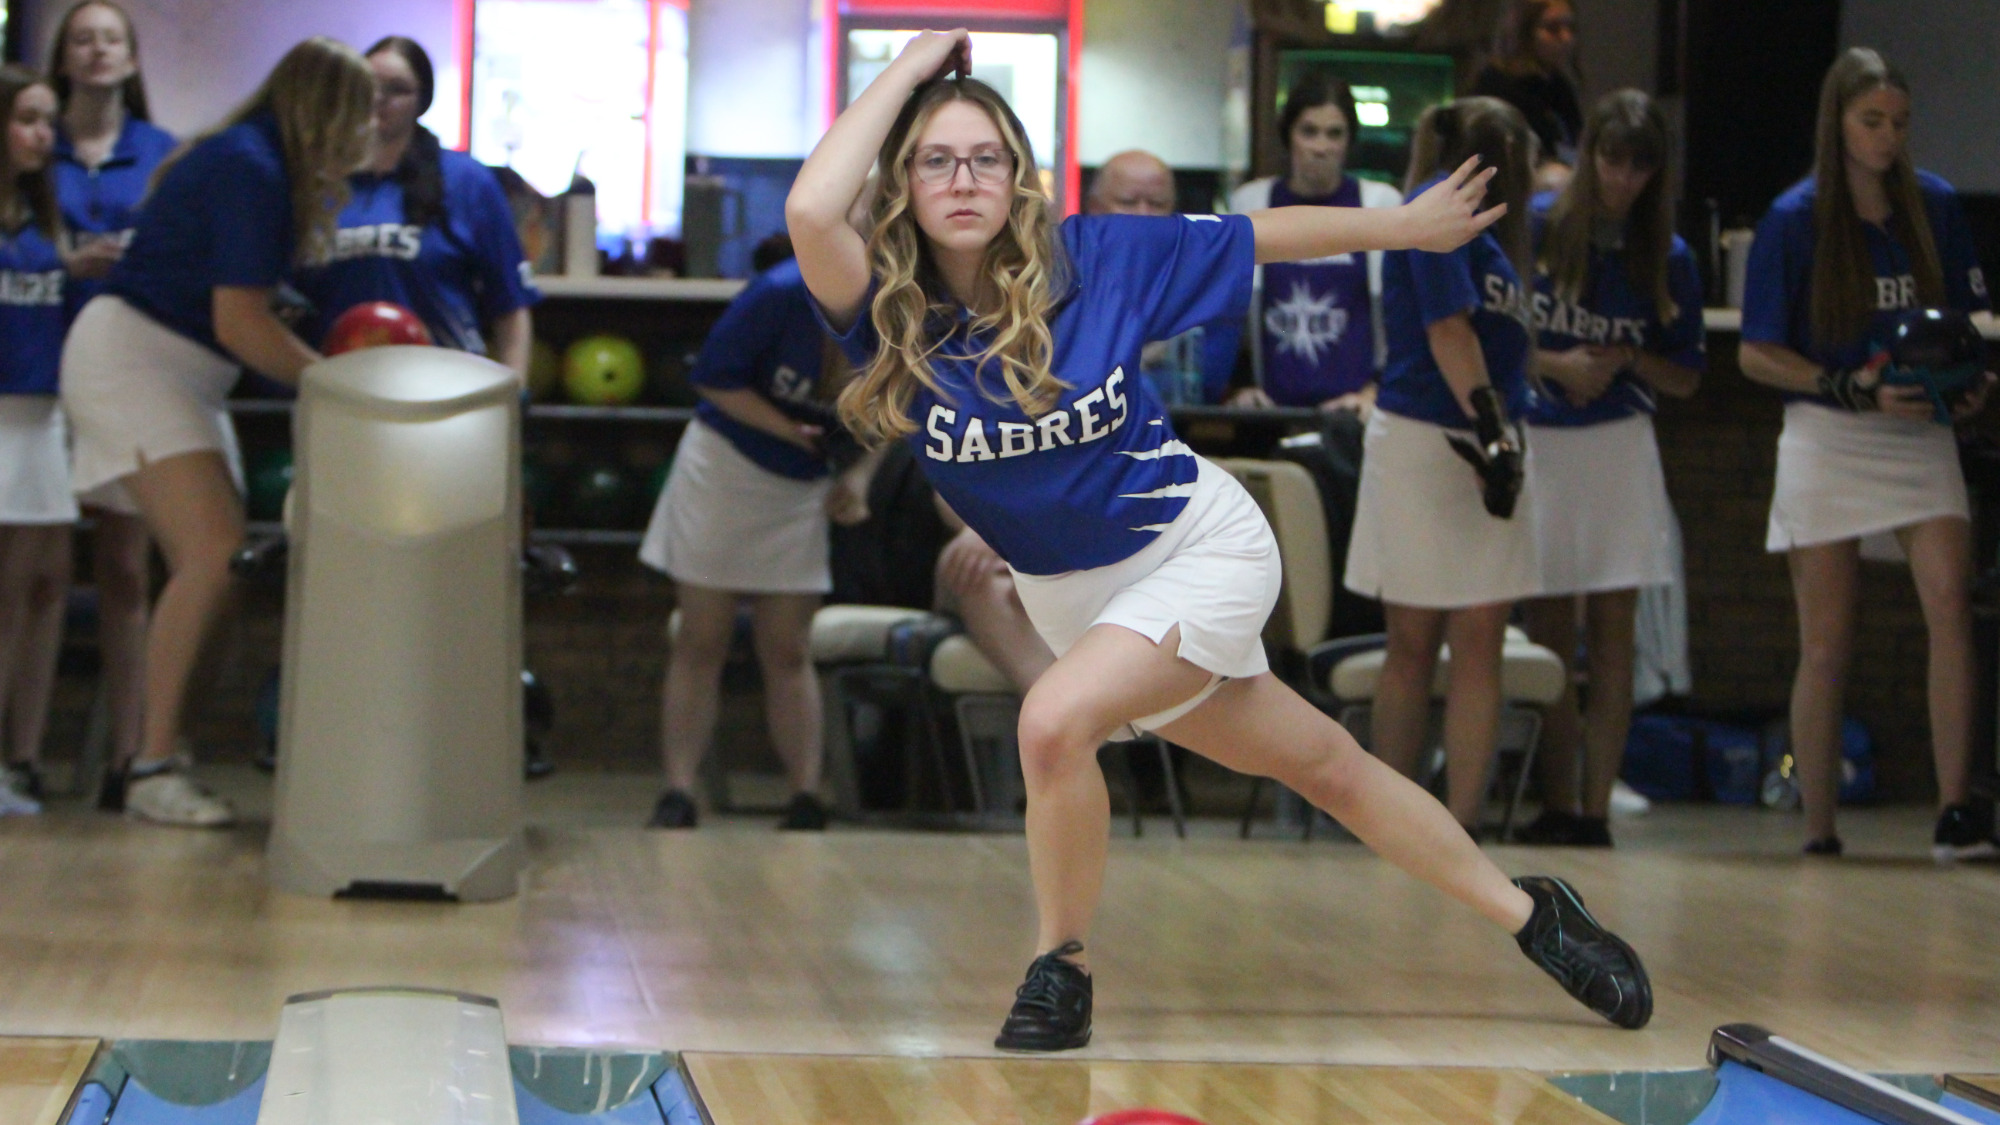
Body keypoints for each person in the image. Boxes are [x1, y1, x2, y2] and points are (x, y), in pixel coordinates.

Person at [786, 29, 1649, 1052]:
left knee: (1052, 723)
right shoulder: (885, 312)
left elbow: (1269, 236)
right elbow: (808, 206)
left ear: (1018, 176)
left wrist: (1405, 227)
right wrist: (914, 65)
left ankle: (1058, 969)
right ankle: (1533, 915)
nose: (962, 179)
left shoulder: (1098, 257)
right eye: (936, 159)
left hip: (1196, 548)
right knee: (1326, 765)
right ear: (905, 183)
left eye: (984, 157)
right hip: (1078, 603)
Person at [58, 37, 377, 827]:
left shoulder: (255, 160)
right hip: (134, 358)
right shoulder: (252, 166)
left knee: (223, 566)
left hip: (180, 372)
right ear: (329, 109)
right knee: (209, 553)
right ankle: (151, 767)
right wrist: (349, 388)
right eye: (362, 114)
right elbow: (240, 322)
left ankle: (161, 754)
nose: (368, 133)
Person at [1738, 47, 1995, 859]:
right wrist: (1845, 386)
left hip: (1919, 429)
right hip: (1831, 431)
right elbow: (1756, 351)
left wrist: (1976, 381)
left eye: (1899, 124)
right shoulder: (1795, 217)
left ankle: (1957, 809)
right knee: (1827, 639)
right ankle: (1819, 823)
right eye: (1871, 122)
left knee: (1949, 602)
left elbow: (1973, 321)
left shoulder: (1935, 206)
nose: (1887, 138)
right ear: (1838, 122)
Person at [1513, 90, 1703, 847]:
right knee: (1552, 624)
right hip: (1547, 438)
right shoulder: (1539, 229)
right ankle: (1559, 799)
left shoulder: (1669, 255)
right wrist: (1557, 361)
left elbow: (1688, 374)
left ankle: (1596, 807)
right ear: (1590, 156)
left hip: (1621, 440)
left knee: (1614, 625)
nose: (1624, 179)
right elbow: (1499, 335)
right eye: (1613, 161)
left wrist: (1627, 358)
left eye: (1639, 167)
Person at [1346, 97, 1540, 834]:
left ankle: (1461, 827)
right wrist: (1492, 430)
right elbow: (1447, 330)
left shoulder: (1491, 229)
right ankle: (1394, 823)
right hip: (1431, 439)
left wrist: (1504, 436)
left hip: (1494, 441)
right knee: (1413, 641)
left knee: (1482, 639)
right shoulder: (1431, 209)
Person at [638, 239, 876, 832]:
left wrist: (860, 477)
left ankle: (804, 795)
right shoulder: (779, 292)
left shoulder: (904, 308)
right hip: (728, 465)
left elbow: (899, 410)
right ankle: (678, 791)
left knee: (787, 645)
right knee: (702, 635)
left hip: (802, 485)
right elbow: (715, 379)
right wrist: (790, 430)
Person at [44, 0, 177, 804]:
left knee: (127, 567)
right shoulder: (27, 141)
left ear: (132, 59)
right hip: (31, 367)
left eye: (110, 40)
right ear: (64, 57)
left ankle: (130, 756)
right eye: (82, 39)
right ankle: (21, 755)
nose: (96, 51)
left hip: (129, 369)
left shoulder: (162, 153)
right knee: (34, 569)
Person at [290, 37, 537, 376]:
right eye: (367, 86)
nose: (378, 100)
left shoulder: (466, 181)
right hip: (335, 389)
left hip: (441, 391)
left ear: (422, 100)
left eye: (397, 89)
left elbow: (510, 305)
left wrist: (514, 390)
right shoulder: (316, 183)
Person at [1229, 72, 1401, 415]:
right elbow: (1229, 310)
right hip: (1270, 412)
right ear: (1288, 136)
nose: (1321, 147)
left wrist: (1377, 389)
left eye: (1334, 134)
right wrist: (1238, 386)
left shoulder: (1380, 204)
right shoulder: (1251, 202)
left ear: (1349, 140)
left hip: (1355, 412)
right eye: (1309, 131)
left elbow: (1402, 312)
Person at [0, 69, 72, 816]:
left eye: (49, 121)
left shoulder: (44, 218)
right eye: (27, 119)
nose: (43, 136)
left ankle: (22, 754)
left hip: (44, 416)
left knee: (40, 587)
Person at [1085, 150, 1240, 407]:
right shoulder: (1062, 279)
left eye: (1157, 204)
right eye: (1128, 202)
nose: (1144, 215)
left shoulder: (1205, 286)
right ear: (1095, 209)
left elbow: (1206, 384)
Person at [1470, 0, 1582, 191]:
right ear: (1523, 32)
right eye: (1552, 29)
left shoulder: (1559, 85)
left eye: (1570, 27)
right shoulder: (1496, 85)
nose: (1566, 37)